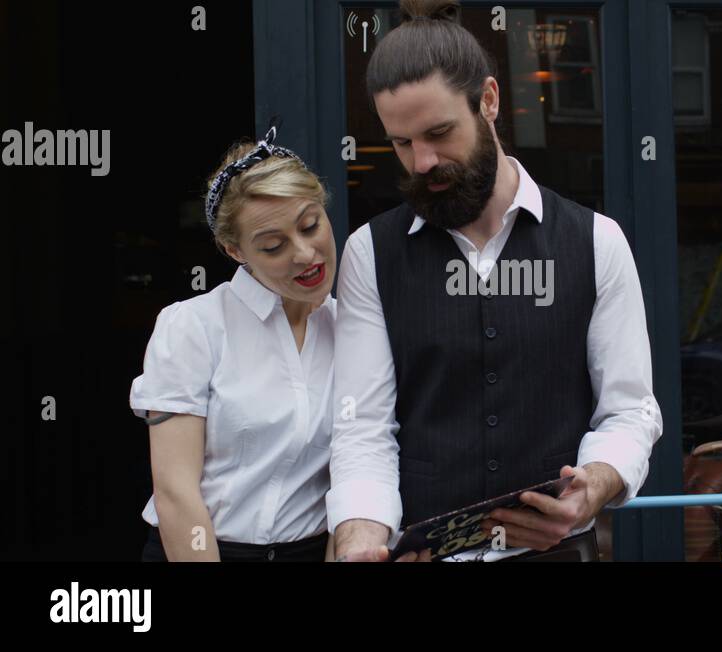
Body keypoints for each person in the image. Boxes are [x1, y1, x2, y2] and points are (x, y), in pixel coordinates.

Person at [327, 0, 663, 562]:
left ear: (488, 100)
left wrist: (595, 485)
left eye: (439, 133)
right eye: (402, 143)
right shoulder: (369, 253)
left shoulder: (597, 241)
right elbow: (363, 428)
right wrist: (360, 534)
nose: (424, 162)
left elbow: (629, 410)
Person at [130, 126, 339, 561]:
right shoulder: (193, 327)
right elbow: (175, 491)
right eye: (273, 245)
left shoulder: (352, 327)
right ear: (235, 250)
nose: (304, 254)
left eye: (310, 225)